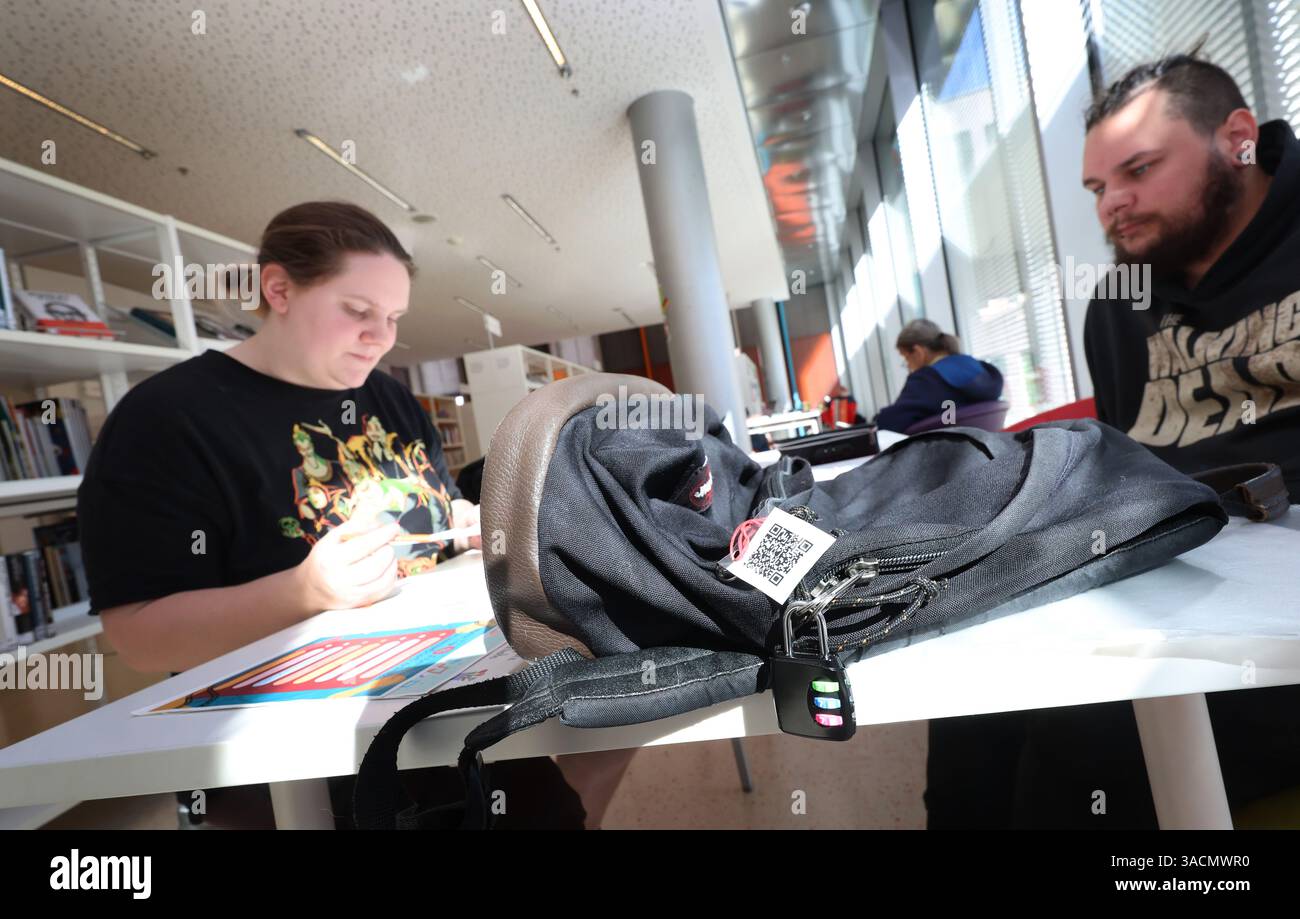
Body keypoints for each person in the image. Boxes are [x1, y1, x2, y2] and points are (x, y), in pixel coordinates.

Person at [77, 200, 587, 828]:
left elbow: (428, 510)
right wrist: (304, 591)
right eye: (357, 311)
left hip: (446, 708)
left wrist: (464, 524)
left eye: (394, 316)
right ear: (279, 289)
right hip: (296, 758)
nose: (383, 336)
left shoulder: (386, 394)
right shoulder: (168, 420)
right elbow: (137, 635)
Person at [874, 319, 1004, 433]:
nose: (907, 365)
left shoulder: (925, 380)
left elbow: (888, 423)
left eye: (906, 358)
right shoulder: (984, 370)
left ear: (918, 352)